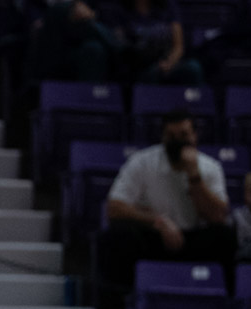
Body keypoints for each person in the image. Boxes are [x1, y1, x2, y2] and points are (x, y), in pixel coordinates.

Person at [99, 109, 232, 296]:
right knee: (118, 234)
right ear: (163, 137)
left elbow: (218, 216)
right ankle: (120, 307)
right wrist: (157, 221)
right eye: (171, 136)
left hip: (191, 239)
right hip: (153, 236)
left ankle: (219, 304)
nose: (178, 141)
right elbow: (114, 208)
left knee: (224, 237)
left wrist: (194, 176)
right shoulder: (142, 162)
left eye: (184, 135)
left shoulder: (211, 167)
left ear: (195, 136)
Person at [98, 0, 201, 85]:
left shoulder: (168, 6)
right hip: (138, 65)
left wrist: (169, 63)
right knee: (148, 75)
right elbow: (120, 44)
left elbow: (178, 46)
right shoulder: (120, 10)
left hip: (166, 61)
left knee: (192, 67)